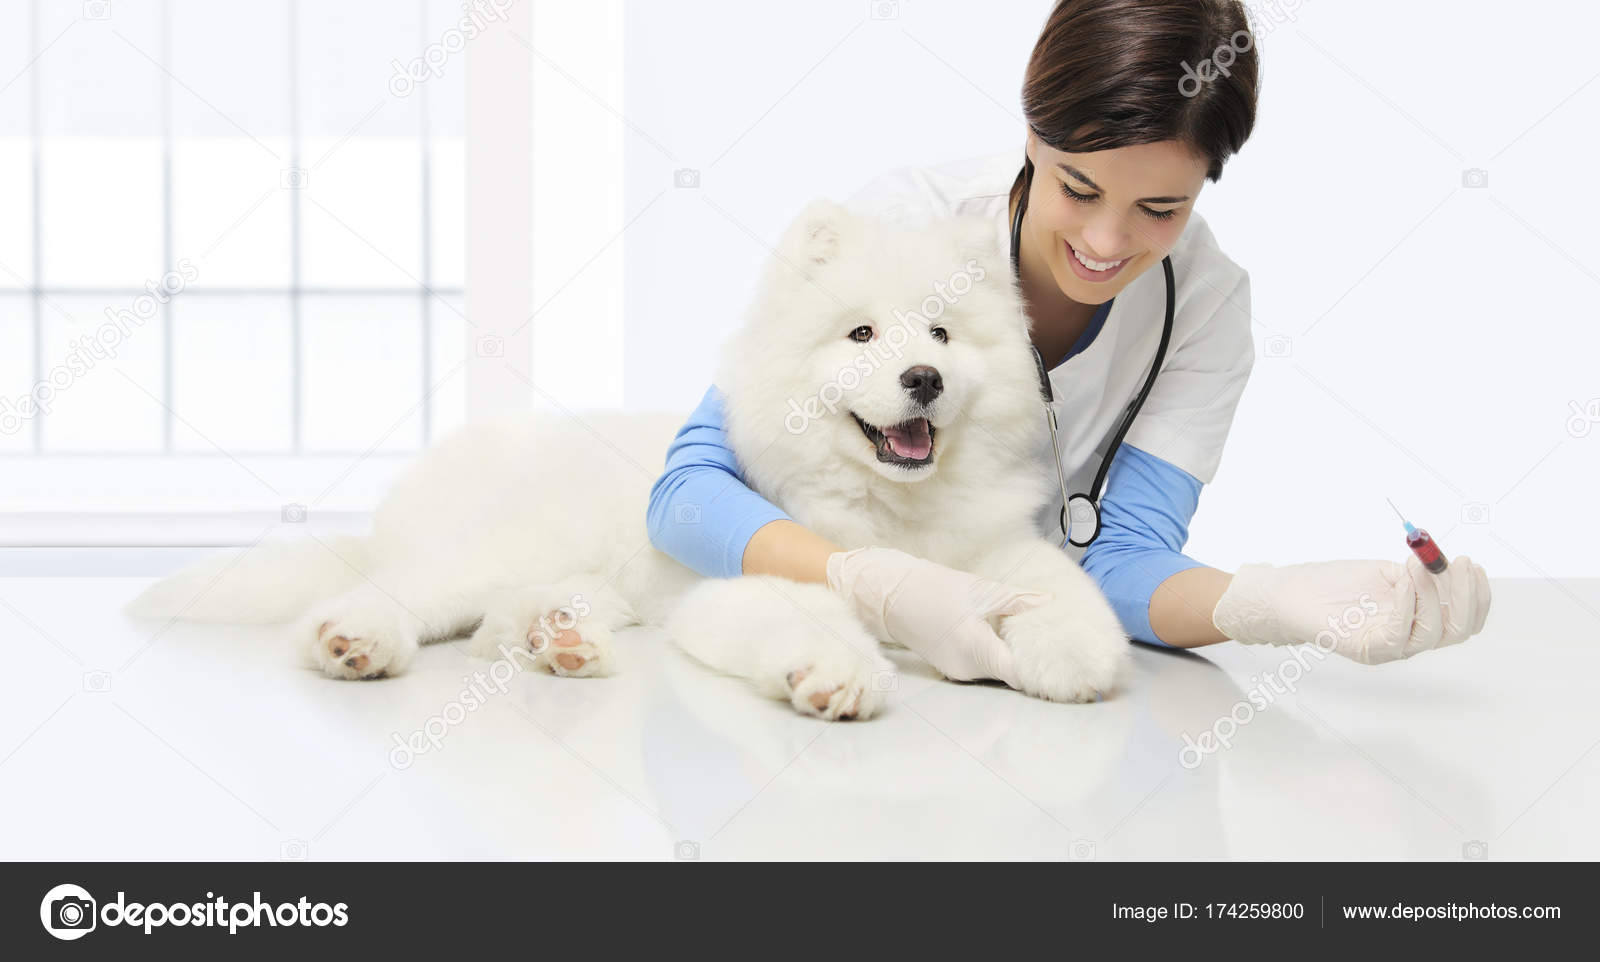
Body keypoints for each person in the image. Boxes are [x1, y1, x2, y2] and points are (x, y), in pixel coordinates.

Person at [645, 0, 1491, 687]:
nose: (1106, 240)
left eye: (1161, 209)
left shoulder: (1205, 305)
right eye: (1078, 187)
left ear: (1206, 183)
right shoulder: (904, 231)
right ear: (1032, 137)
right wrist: (871, 580)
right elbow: (686, 494)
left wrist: (1273, 604)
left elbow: (1121, 556)